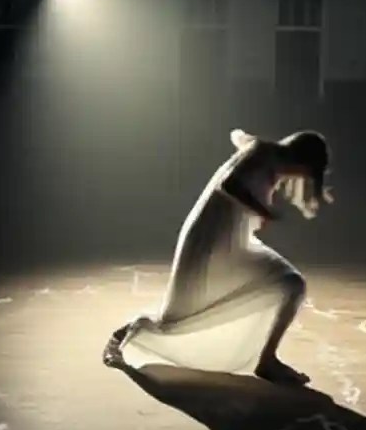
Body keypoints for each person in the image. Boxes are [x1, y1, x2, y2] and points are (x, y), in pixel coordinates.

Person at [104, 128, 335, 386]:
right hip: (212, 242)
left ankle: (267, 360)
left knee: (291, 284)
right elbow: (230, 184)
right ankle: (133, 331)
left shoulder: (267, 158)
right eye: (304, 171)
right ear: (300, 159)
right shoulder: (262, 153)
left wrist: (259, 212)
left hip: (235, 243)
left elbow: (241, 145)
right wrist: (265, 212)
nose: (299, 178)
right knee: (178, 317)